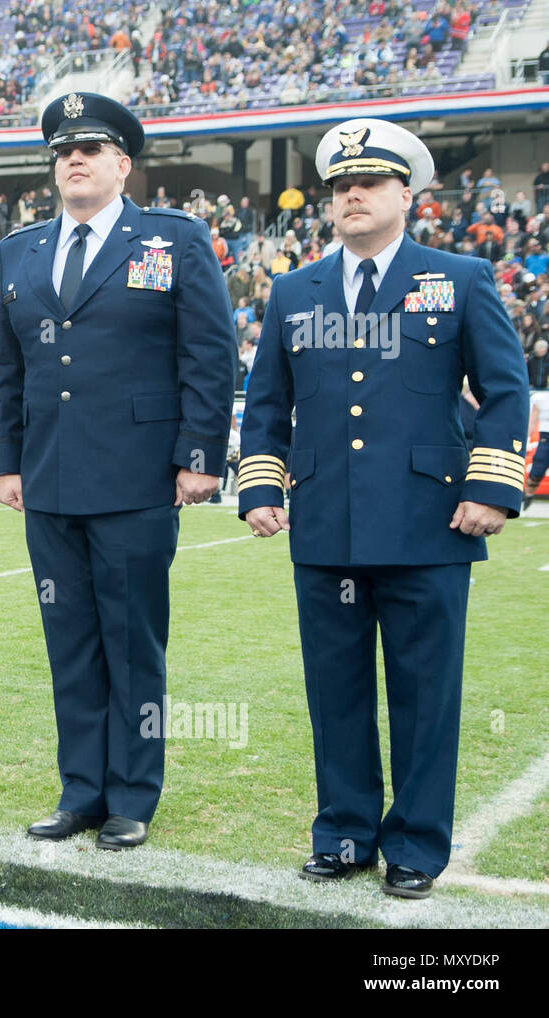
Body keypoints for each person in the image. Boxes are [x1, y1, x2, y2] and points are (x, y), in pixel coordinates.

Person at [239, 118, 530, 899]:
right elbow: (266, 403)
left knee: (424, 698)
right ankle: (342, 831)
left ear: (408, 194)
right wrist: (262, 486)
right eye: (340, 187)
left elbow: (506, 392)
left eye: (368, 183)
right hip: (327, 525)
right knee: (335, 695)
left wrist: (492, 487)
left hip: (430, 523)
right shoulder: (295, 290)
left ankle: (416, 845)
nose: (353, 196)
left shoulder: (461, 278)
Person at [0, 92, 236, 849]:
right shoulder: (19, 251)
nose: (74, 161)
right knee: (70, 643)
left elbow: (208, 354)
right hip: (51, 478)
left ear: (122, 165)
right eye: (64, 151)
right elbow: (7, 369)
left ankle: (132, 794)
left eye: (90, 151)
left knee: (131, 642)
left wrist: (198, 456)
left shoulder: (173, 239)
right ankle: (81, 791)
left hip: (135, 479)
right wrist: (6, 463)